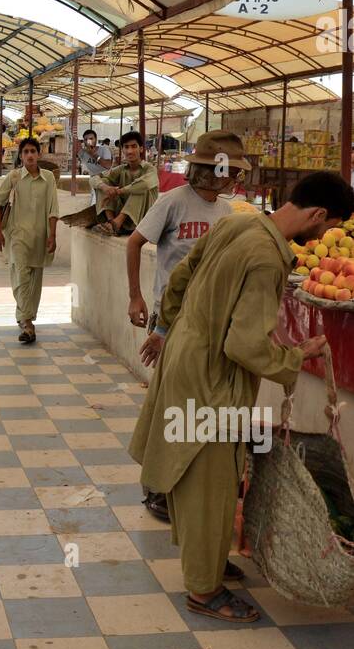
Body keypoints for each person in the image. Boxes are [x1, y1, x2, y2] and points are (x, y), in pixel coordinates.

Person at [130, 170, 354, 624]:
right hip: (213, 379)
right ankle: (204, 590)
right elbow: (244, 346)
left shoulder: (235, 223)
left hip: (186, 361)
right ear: (318, 214)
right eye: (327, 227)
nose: (322, 236)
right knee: (211, 484)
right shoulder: (268, 257)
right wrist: (296, 357)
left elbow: (179, 281)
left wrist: (171, 330)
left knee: (199, 475)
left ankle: (207, 563)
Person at [126, 131, 248, 524]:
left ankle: (176, 480)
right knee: (167, 401)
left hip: (206, 324)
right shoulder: (172, 202)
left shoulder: (228, 214)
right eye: (217, 171)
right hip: (169, 317)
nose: (223, 179)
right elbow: (134, 243)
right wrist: (137, 298)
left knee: (189, 404)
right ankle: (156, 486)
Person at [0, 136, 59, 345]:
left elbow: (53, 210)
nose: (30, 155)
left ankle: (23, 316)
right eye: (26, 152)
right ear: (21, 156)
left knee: (34, 282)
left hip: (40, 236)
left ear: (38, 154)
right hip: (17, 236)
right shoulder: (13, 177)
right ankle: (28, 324)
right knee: (20, 278)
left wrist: (52, 235)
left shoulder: (48, 178)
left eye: (33, 151)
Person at [91, 130, 158, 234]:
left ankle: (117, 223)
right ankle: (111, 222)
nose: (130, 151)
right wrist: (106, 188)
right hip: (123, 218)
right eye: (126, 147)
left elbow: (146, 184)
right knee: (103, 181)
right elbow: (93, 178)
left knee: (140, 188)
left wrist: (119, 191)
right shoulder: (121, 169)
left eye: (133, 146)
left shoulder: (150, 169)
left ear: (141, 149)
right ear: (122, 150)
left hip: (143, 218)